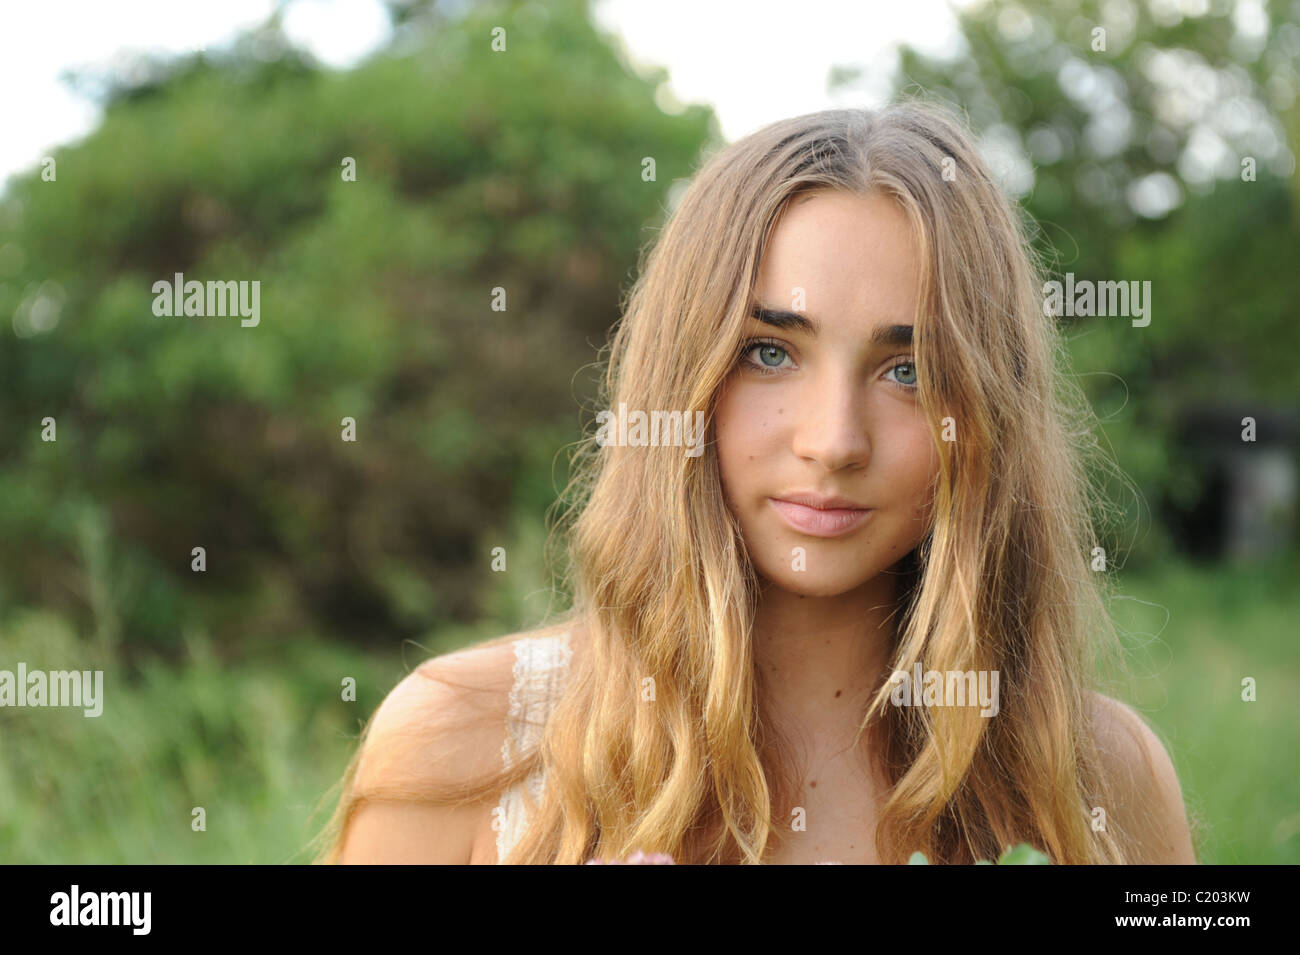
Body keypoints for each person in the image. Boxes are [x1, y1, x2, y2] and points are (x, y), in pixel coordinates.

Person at [316, 101, 1198, 865]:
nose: (833, 441)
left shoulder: (1095, 777)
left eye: (909, 371)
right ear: (681, 376)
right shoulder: (459, 742)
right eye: (769, 352)